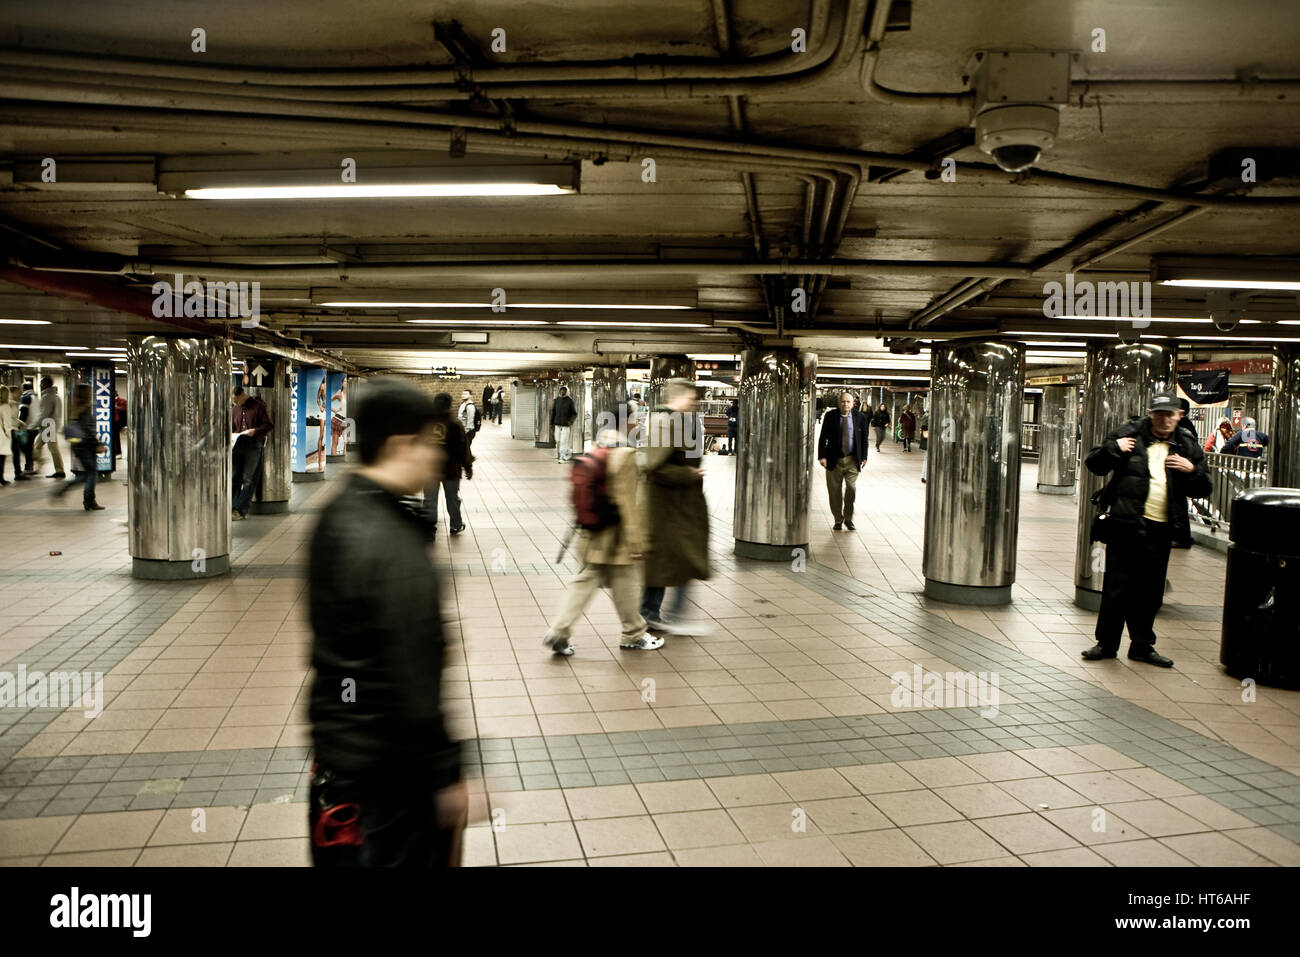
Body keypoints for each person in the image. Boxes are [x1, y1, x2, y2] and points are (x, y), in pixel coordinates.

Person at [307, 378, 465, 867]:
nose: (436, 459)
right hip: (392, 775)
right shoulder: (393, 545)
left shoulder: (338, 511)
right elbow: (411, 670)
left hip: (340, 758)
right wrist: (444, 774)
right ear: (400, 445)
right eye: (428, 444)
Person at [1080, 394, 1212, 669]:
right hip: (1125, 523)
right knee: (1117, 587)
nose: (1164, 419)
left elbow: (1204, 488)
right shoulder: (1129, 434)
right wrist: (1113, 448)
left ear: (1179, 416)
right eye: (1159, 414)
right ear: (1151, 414)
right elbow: (1094, 463)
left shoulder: (1186, 444)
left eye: (1170, 414)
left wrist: (1192, 470)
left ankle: (1142, 646)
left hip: (1161, 527)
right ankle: (1106, 644)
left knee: (1151, 591)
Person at [543, 402, 653, 655]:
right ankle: (634, 634)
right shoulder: (625, 453)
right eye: (636, 417)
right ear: (626, 421)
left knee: (587, 579)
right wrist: (637, 541)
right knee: (625, 578)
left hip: (593, 530)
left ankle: (559, 631)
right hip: (615, 535)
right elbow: (627, 501)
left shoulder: (599, 445)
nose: (638, 422)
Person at [640, 378, 711, 638]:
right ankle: (663, 615)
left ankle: (653, 614)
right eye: (690, 400)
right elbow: (652, 466)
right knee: (676, 561)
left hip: (676, 507)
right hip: (667, 508)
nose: (693, 404)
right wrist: (688, 474)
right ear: (677, 397)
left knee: (669, 562)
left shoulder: (674, 421)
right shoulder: (665, 422)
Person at [818, 391, 870, 531]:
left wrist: (864, 457)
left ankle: (848, 518)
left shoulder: (860, 417)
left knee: (851, 488)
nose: (845, 404)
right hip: (834, 459)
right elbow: (823, 437)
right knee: (834, 491)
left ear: (853, 403)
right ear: (838, 403)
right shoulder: (830, 416)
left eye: (848, 401)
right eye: (842, 401)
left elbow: (864, 439)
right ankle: (838, 519)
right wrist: (822, 456)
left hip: (852, 459)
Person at [52, 384, 106, 510]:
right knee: (92, 473)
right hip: (87, 447)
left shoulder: (75, 409)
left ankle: (67, 490)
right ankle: (89, 500)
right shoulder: (86, 411)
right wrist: (97, 444)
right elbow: (88, 431)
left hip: (78, 446)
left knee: (87, 474)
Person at [425, 392, 471, 535]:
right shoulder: (455, 424)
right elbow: (463, 447)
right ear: (449, 405)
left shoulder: (426, 423)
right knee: (452, 498)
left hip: (430, 468)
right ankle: (455, 525)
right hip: (450, 468)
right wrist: (468, 466)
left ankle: (428, 527)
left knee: (429, 499)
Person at [231, 384, 274, 521]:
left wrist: (255, 431)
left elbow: (268, 425)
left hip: (254, 445)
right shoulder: (235, 409)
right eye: (234, 402)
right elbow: (232, 426)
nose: (236, 404)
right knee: (234, 477)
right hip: (237, 445)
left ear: (242, 395)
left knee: (249, 479)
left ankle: (240, 509)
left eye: (237, 400)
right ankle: (231, 506)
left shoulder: (258, 407)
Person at [31, 376, 67, 478]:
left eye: (41, 384)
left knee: (37, 447)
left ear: (45, 384)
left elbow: (44, 414)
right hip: (52, 425)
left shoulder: (47, 397)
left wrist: (33, 426)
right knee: (52, 448)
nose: (40, 386)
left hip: (48, 426)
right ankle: (59, 470)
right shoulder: (56, 396)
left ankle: (44, 462)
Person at [551, 385, 577, 463]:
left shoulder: (570, 401)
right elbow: (553, 412)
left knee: (563, 441)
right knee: (557, 440)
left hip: (566, 425)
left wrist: (571, 421)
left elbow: (574, 413)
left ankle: (562, 457)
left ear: (567, 391)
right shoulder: (557, 400)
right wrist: (551, 423)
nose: (563, 391)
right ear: (559, 391)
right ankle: (569, 451)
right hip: (557, 424)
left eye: (564, 390)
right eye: (561, 390)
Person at [14, 381, 35, 477]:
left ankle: (28, 466)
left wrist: (20, 425)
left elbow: (23, 412)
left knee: (23, 447)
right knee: (29, 447)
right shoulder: (36, 396)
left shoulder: (25, 397)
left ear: (23, 388)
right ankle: (29, 465)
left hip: (27, 426)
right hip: (35, 426)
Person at [0, 386, 18, 485]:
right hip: (2, 435)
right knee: (1, 458)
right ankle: (1, 478)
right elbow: (7, 424)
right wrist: (9, 436)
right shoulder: (5, 406)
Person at [329, 379, 347, 456]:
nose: (347, 383)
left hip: (347, 421)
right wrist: (335, 411)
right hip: (337, 420)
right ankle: (334, 462)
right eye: (345, 381)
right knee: (335, 443)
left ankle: (344, 464)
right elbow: (327, 403)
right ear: (342, 383)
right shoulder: (340, 393)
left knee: (346, 444)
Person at [919, 407, 930, 484]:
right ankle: (925, 476)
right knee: (927, 458)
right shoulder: (928, 416)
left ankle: (924, 476)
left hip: (926, 440)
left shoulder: (926, 415)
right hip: (928, 441)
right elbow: (924, 428)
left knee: (926, 458)